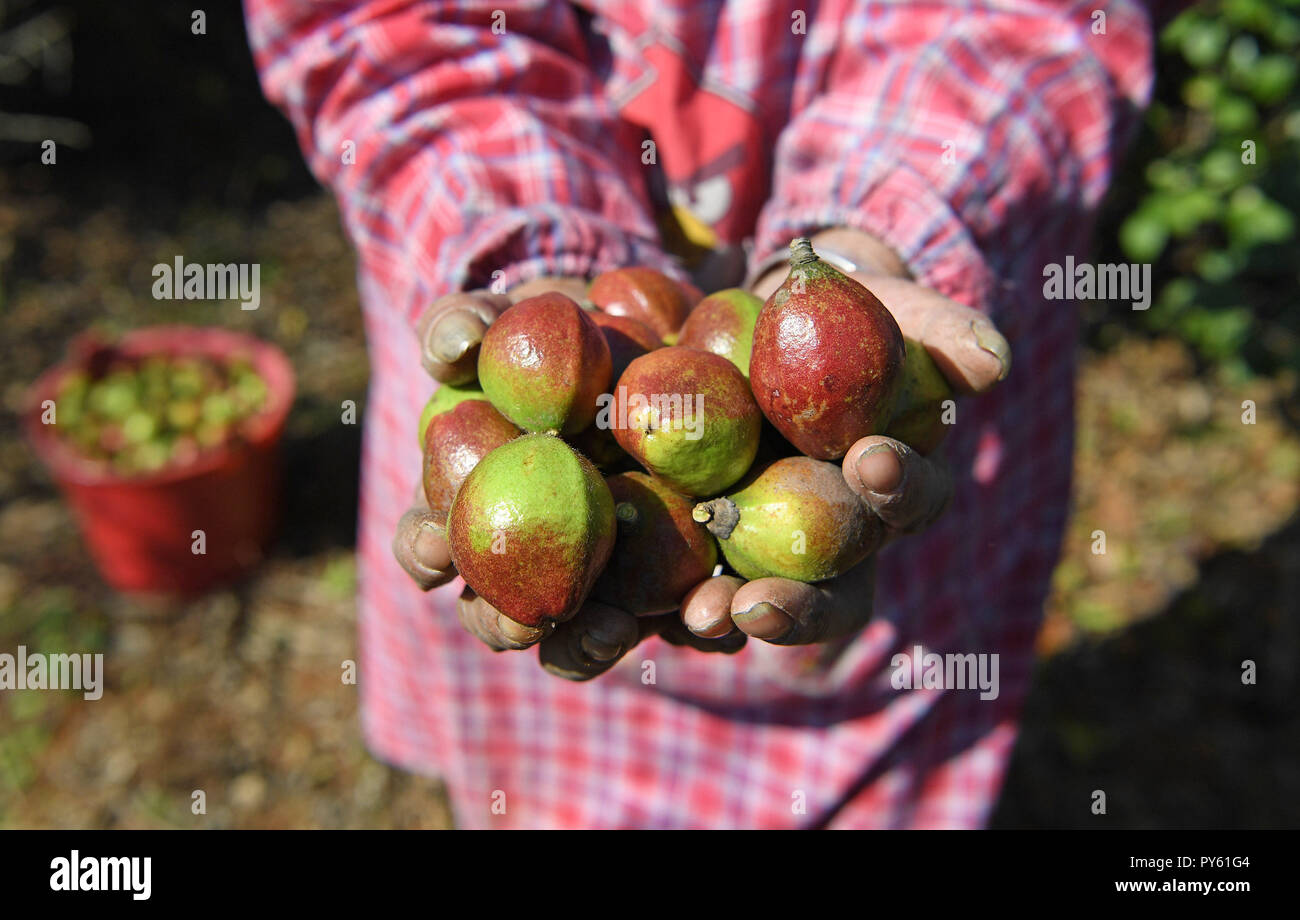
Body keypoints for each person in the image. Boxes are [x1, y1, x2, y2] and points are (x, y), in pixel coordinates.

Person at [245, 0, 1158, 827]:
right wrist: (528, 252)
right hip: (499, 288)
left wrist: (875, 231)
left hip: (908, 399)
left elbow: (1026, 21)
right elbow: (383, 28)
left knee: (883, 684)